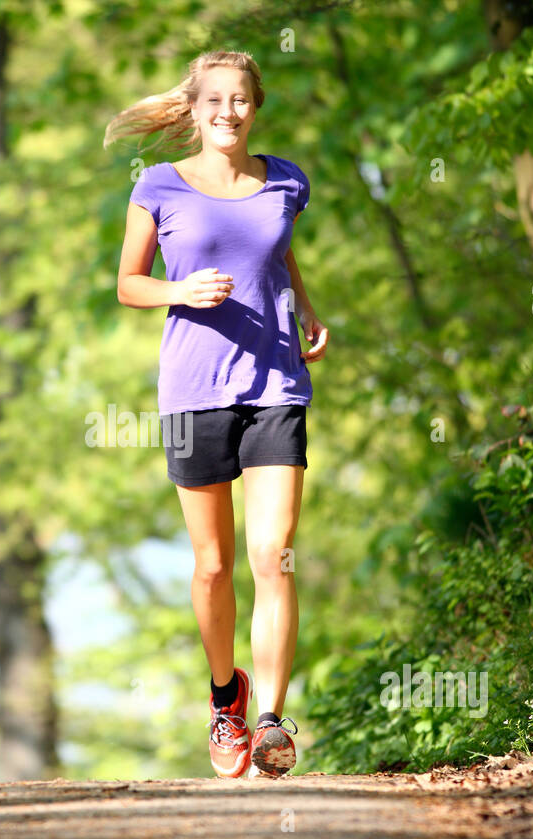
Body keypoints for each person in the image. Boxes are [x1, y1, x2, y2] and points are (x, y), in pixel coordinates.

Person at [107, 50, 329, 779]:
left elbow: (280, 259)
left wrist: (308, 313)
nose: (228, 112)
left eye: (240, 100)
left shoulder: (286, 179)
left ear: (254, 106)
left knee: (274, 555)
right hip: (191, 392)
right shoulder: (159, 184)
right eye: (215, 101)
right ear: (194, 110)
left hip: (275, 385)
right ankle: (225, 696)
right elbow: (128, 285)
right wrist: (181, 292)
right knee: (212, 567)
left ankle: (270, 719)